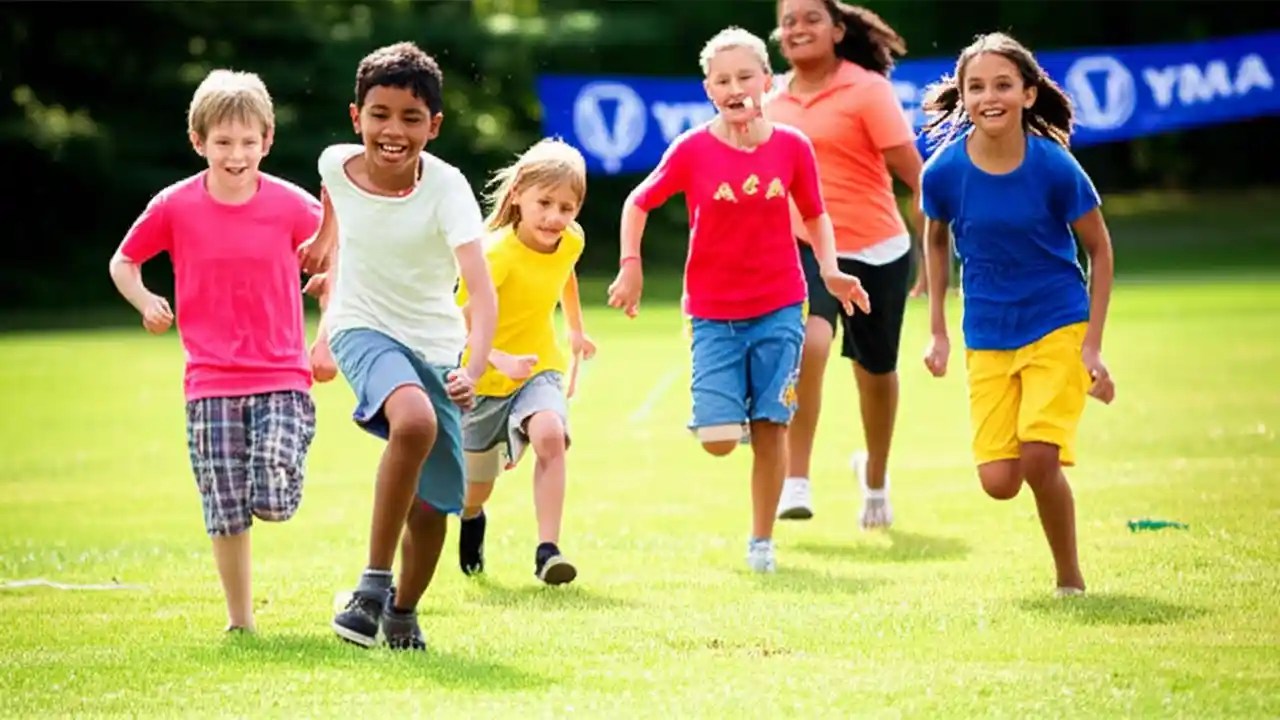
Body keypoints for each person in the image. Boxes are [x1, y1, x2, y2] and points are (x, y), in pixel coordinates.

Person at [607, 27, 870, 574]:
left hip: (780, 304)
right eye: (722, 79)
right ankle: (743, 413)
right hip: (711, 312)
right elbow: (638, 201)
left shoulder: (793, 148)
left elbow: (816, 216)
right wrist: (630, 267)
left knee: (774, 427)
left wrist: (831, 270)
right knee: (720, 441)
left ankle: (761, 542)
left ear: (767, 83)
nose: (735, 87)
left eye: (745, 76)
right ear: (709, 89)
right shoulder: (693, 150)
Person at [107, 69, 322, 633]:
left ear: (267, 142)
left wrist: (332, 286)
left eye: (249, 142)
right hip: (209, 382)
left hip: (281, 375)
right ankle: (240, 621)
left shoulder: (290, 206)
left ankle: (288, 457)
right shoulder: (175, 206)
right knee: (225, 509)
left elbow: (339, 248)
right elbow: (123, 262)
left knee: (273, 499)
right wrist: (145, 299)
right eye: (223, 142)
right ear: (198, 142)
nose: (236, 154)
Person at [307, 41, 498, 649]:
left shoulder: (448, 191)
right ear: (355, 116)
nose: (393, 131)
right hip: (362, 326)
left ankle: (402, 610)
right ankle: (370, 584)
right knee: (411, 423)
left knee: (436, 504)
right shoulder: (335, 163)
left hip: (437, 346)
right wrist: (322, 244)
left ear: (434, 126)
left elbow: (482, 293)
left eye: (411, 118)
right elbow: (336, 204)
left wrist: (472, 366)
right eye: (380, 115)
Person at [918, 32, 1116, 596]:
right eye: (975, 87)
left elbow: (1099, 250)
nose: (989, 97)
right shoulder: (943, 172)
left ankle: (1069, 580)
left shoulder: (1055, 167)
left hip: (1057, 320)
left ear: (1029, 94)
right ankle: (1086, 383)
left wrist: (1092, 344)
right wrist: (937, 329)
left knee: (1037, 459)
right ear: (962, 96)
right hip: (986, 333)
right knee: (999, 481)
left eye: (1003, 84)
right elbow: (934, 240)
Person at [766, 0, 924, 528]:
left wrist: (930, 254)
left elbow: (915, 176)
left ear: (837, 30)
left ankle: (875, 478)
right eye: (788, 21)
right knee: (809, 339)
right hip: (803, 246)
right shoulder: (770, 101)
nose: (797, 28)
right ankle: (797, 477)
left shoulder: (867, 90)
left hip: (877, 247)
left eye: (810, 18)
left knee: (875, 372)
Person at [454, 138, 596, 586]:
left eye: (567, 207)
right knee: (476, 487)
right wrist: (495, 357)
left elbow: (564, 273)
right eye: (545, 203)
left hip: (540, 365)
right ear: (517, 194)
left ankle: (547, 551)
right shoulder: (493, 254)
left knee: (551, 435)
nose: (556, 217)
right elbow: (456, 317)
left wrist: (575, 329)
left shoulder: (570, 240)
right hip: (483, 380)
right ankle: (472, 518)